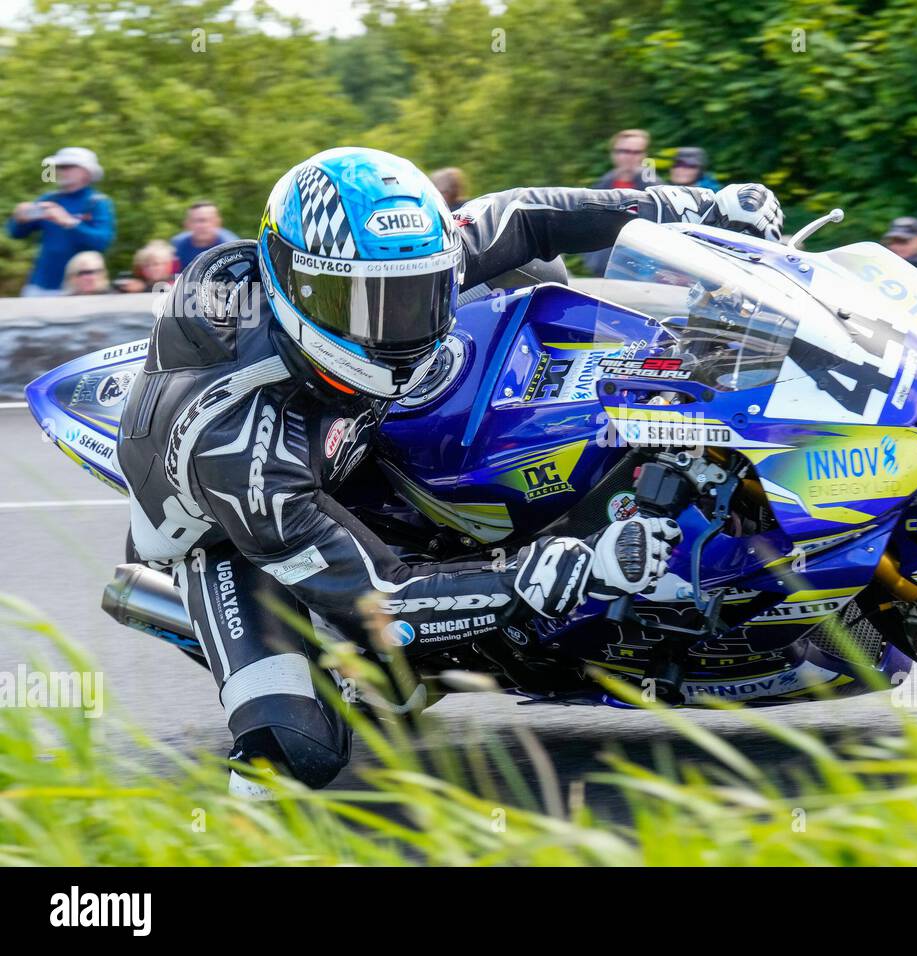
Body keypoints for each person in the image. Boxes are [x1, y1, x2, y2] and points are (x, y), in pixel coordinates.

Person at [116, 146, 784, 797]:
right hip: (241, 531)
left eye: (423, 296)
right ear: (303, 289)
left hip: (351, 436)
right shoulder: (238, 445)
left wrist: (691, 206)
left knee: (536, 272)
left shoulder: (371, 265)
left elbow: (525, 215)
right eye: (376, 308)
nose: (407, 325)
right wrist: (530, 575)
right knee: (298, 750)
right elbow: (384, 602)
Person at [7, 147, 116, 296]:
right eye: (59, 167)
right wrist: (19, 219)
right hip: (40, 285)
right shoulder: (49, 199)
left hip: (78, 290)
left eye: (68, 167)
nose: (61, 171)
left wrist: (69, 222)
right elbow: (15, 233)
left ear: (86, 172)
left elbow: (101, 242)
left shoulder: (97, 203)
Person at [583, 130, 655, 276]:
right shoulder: (602, 186)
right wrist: (593, 260)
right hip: (602, 271)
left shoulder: (653, 190)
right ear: (613, 154)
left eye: (636, 152)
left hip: (641, 272)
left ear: (644, 155)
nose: (629, 157)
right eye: (624, 151)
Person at [171, 201, 238, 270]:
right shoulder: (177, 245)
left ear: (218, 222)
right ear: (187, 224)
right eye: (196, 221)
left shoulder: (232, 247)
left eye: (206, 220)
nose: (202, 226)